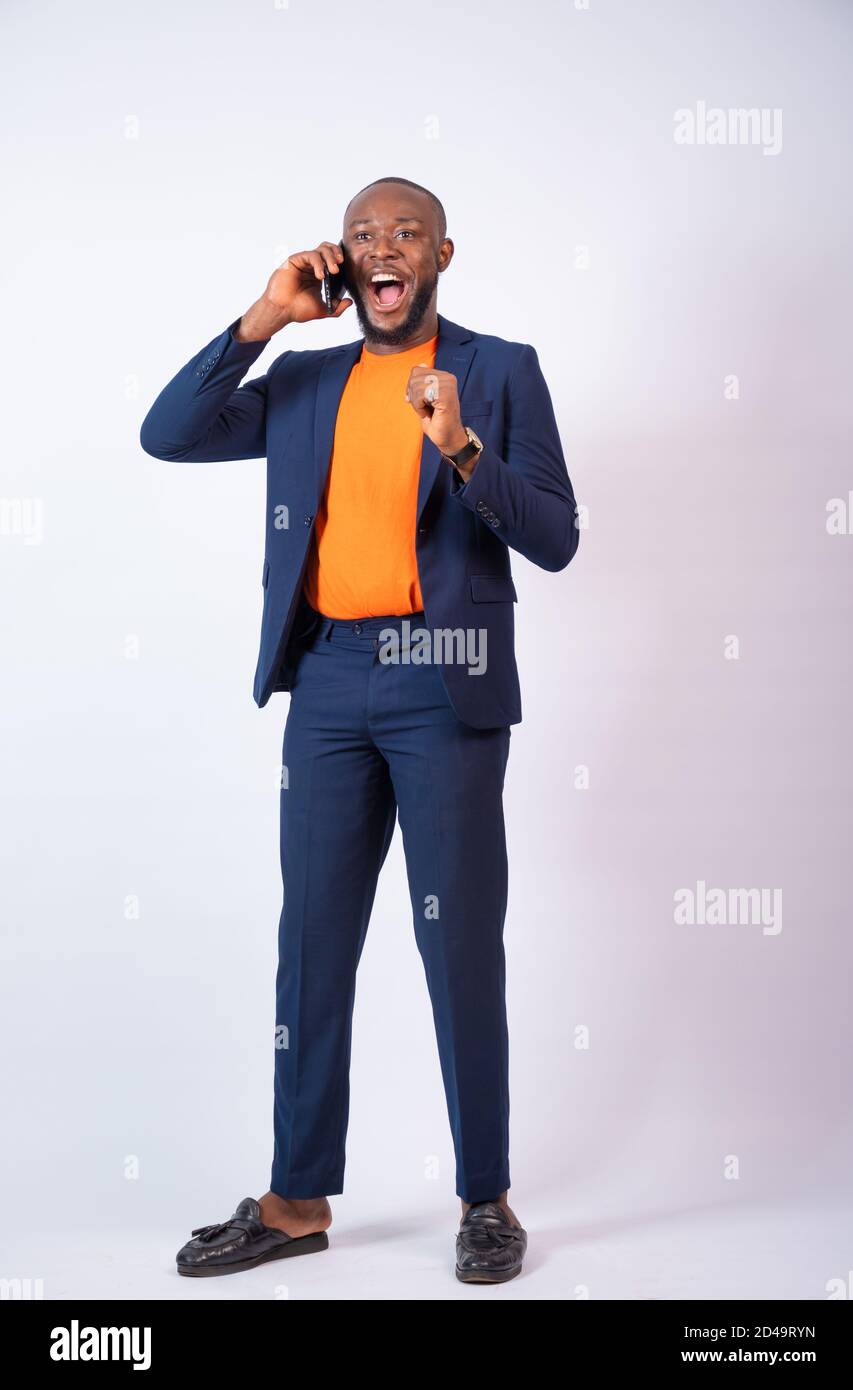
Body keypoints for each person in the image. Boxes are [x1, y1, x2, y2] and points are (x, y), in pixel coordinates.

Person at [139, 176, 579, 1284]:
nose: (383, 248)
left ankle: (485, 1196)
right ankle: (295, 1200)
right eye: (362, 236)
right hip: (329, 679)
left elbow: (558, 537)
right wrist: (263, 317)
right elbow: (167, 434)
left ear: (441, 254)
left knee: (457, 945)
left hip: (446, 679)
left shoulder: (498, 369)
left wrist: (463, 449)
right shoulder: (304, 377)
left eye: (406, 234)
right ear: (343, 262)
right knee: (311, 943)